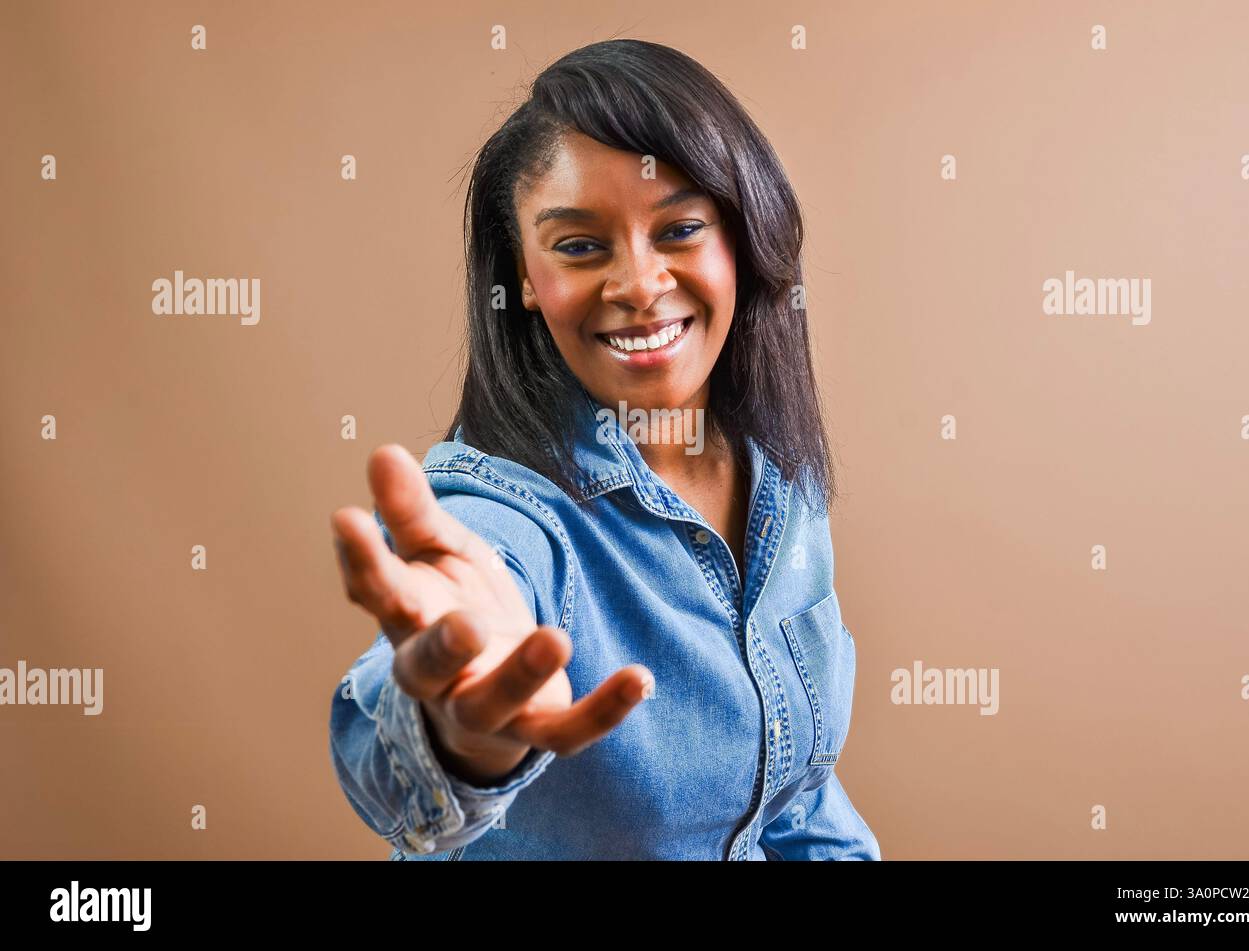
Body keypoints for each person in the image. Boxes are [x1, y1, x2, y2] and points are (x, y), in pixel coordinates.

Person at [327, 38, 881, 861]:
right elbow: (402, 757)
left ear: (742, 235)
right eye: (580, 245)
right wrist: (461, 732)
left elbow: (793, 798)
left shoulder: (778, 478)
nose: (638, 283)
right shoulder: (498, 513)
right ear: (522, 273)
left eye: (681, 228)